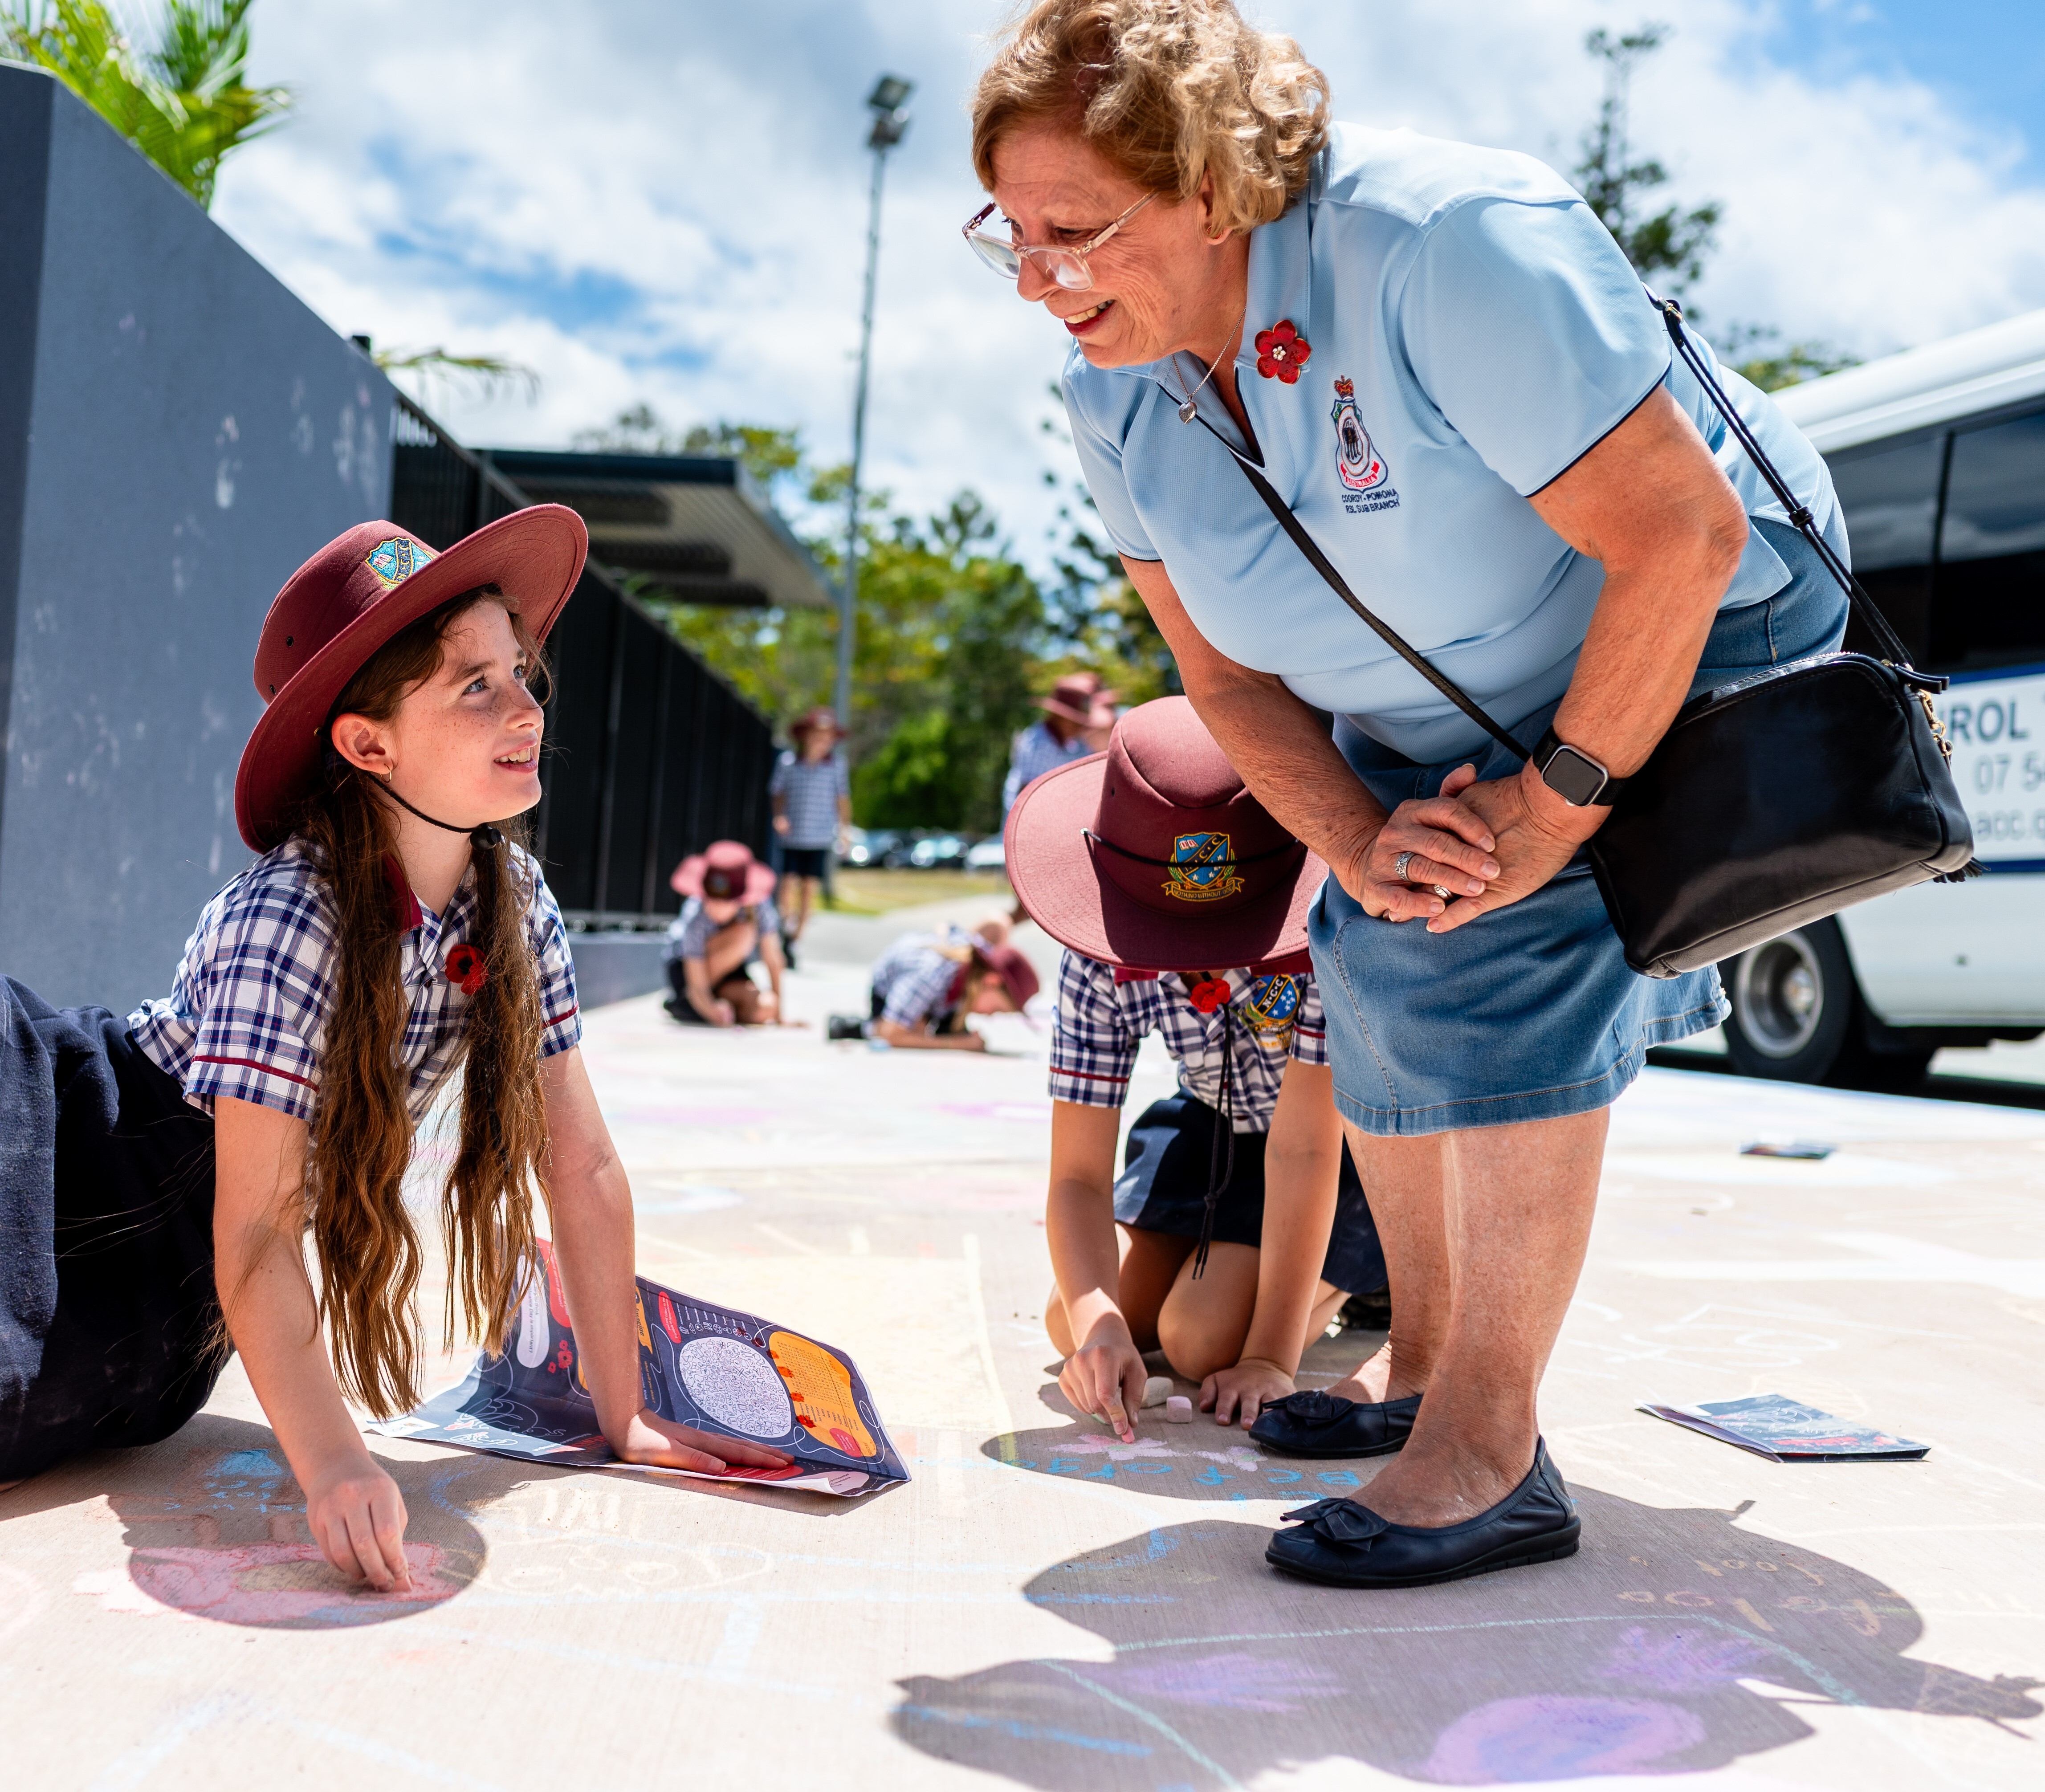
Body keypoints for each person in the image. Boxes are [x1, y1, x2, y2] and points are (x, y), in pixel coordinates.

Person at [969, 0, 1847, 1588]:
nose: (1036, 279)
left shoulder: (1441, 245)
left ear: (1217, 186)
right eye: (1008, 233)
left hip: (1675, 621)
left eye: (1074, 229)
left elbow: (1679, 536)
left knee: (1500, 944)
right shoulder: (1111, 389)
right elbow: (1228, 681)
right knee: (1374, 962)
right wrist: (1359, 838)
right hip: (1416, 691)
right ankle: (1422, 1361)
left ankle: (1490, 1449)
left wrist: (1554, 801)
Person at [0, 511, 792, 1576]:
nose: (525, 708)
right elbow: (260, 1238)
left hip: (175, 1268)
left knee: (85, 1397)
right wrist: (331, 1462)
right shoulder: (291, 915)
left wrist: (624, 1411)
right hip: (64, 1154)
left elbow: (583, 1161)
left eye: (521, 672)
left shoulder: (515, 899)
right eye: (476, 685)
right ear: (370, 744)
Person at [1008, 697, 1385, 1441]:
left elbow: (1305, 1148)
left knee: (1200, 1340)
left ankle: (1369, 1278)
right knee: (1069, 1317)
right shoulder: (1098, 956)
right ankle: (1175, 1294)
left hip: (1329, 1159)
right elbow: (1078, 1175)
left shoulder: (1320, 942)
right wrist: (1098, 1325)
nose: (1193, 956)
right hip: (1207, 1131)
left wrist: (1271, 1358)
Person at [826, 916, 1039, 1051]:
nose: (991, 1016)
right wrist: (957, 1045)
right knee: (910, 1030)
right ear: (990, 982)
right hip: (887, 988)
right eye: (997, 1009)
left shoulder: (970, 973)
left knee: (941, 1027)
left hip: (943, 998)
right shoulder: (932, 974)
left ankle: (937, 1024)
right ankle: (858, 1027)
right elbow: (892, 1035)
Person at [664, 840, 789, 1027]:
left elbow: (773, 958)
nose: (714, 908)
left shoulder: (758, 907)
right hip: (689, 972)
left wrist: (780, 1015)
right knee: (743, 934)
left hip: (728, 971)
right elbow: (695, 978)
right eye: (710, 900)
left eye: (723, 903)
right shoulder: (696, 915)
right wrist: (712, 1012)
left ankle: (715, 1006)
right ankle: (689, 1002)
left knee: (766, 1008)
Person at [770, 708, 851, 957]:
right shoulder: (788, 763)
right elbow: (778, 793)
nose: (822, 742)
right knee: (788, 884)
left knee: (809, 890)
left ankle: (796, 939)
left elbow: (842, 799)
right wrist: (780, 816)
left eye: (827, 738)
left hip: (820, 837)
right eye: (817, 735)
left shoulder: (836, 766)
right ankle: (786, 925)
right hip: (795, 835)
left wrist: (845, 831)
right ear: (805, 736)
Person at [1000, 671, 1116, 817]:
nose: (1081, 727)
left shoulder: (1072, 744)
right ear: (1061, 717)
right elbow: (1028, 801)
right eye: (1076, 720)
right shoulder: (1037, 744)